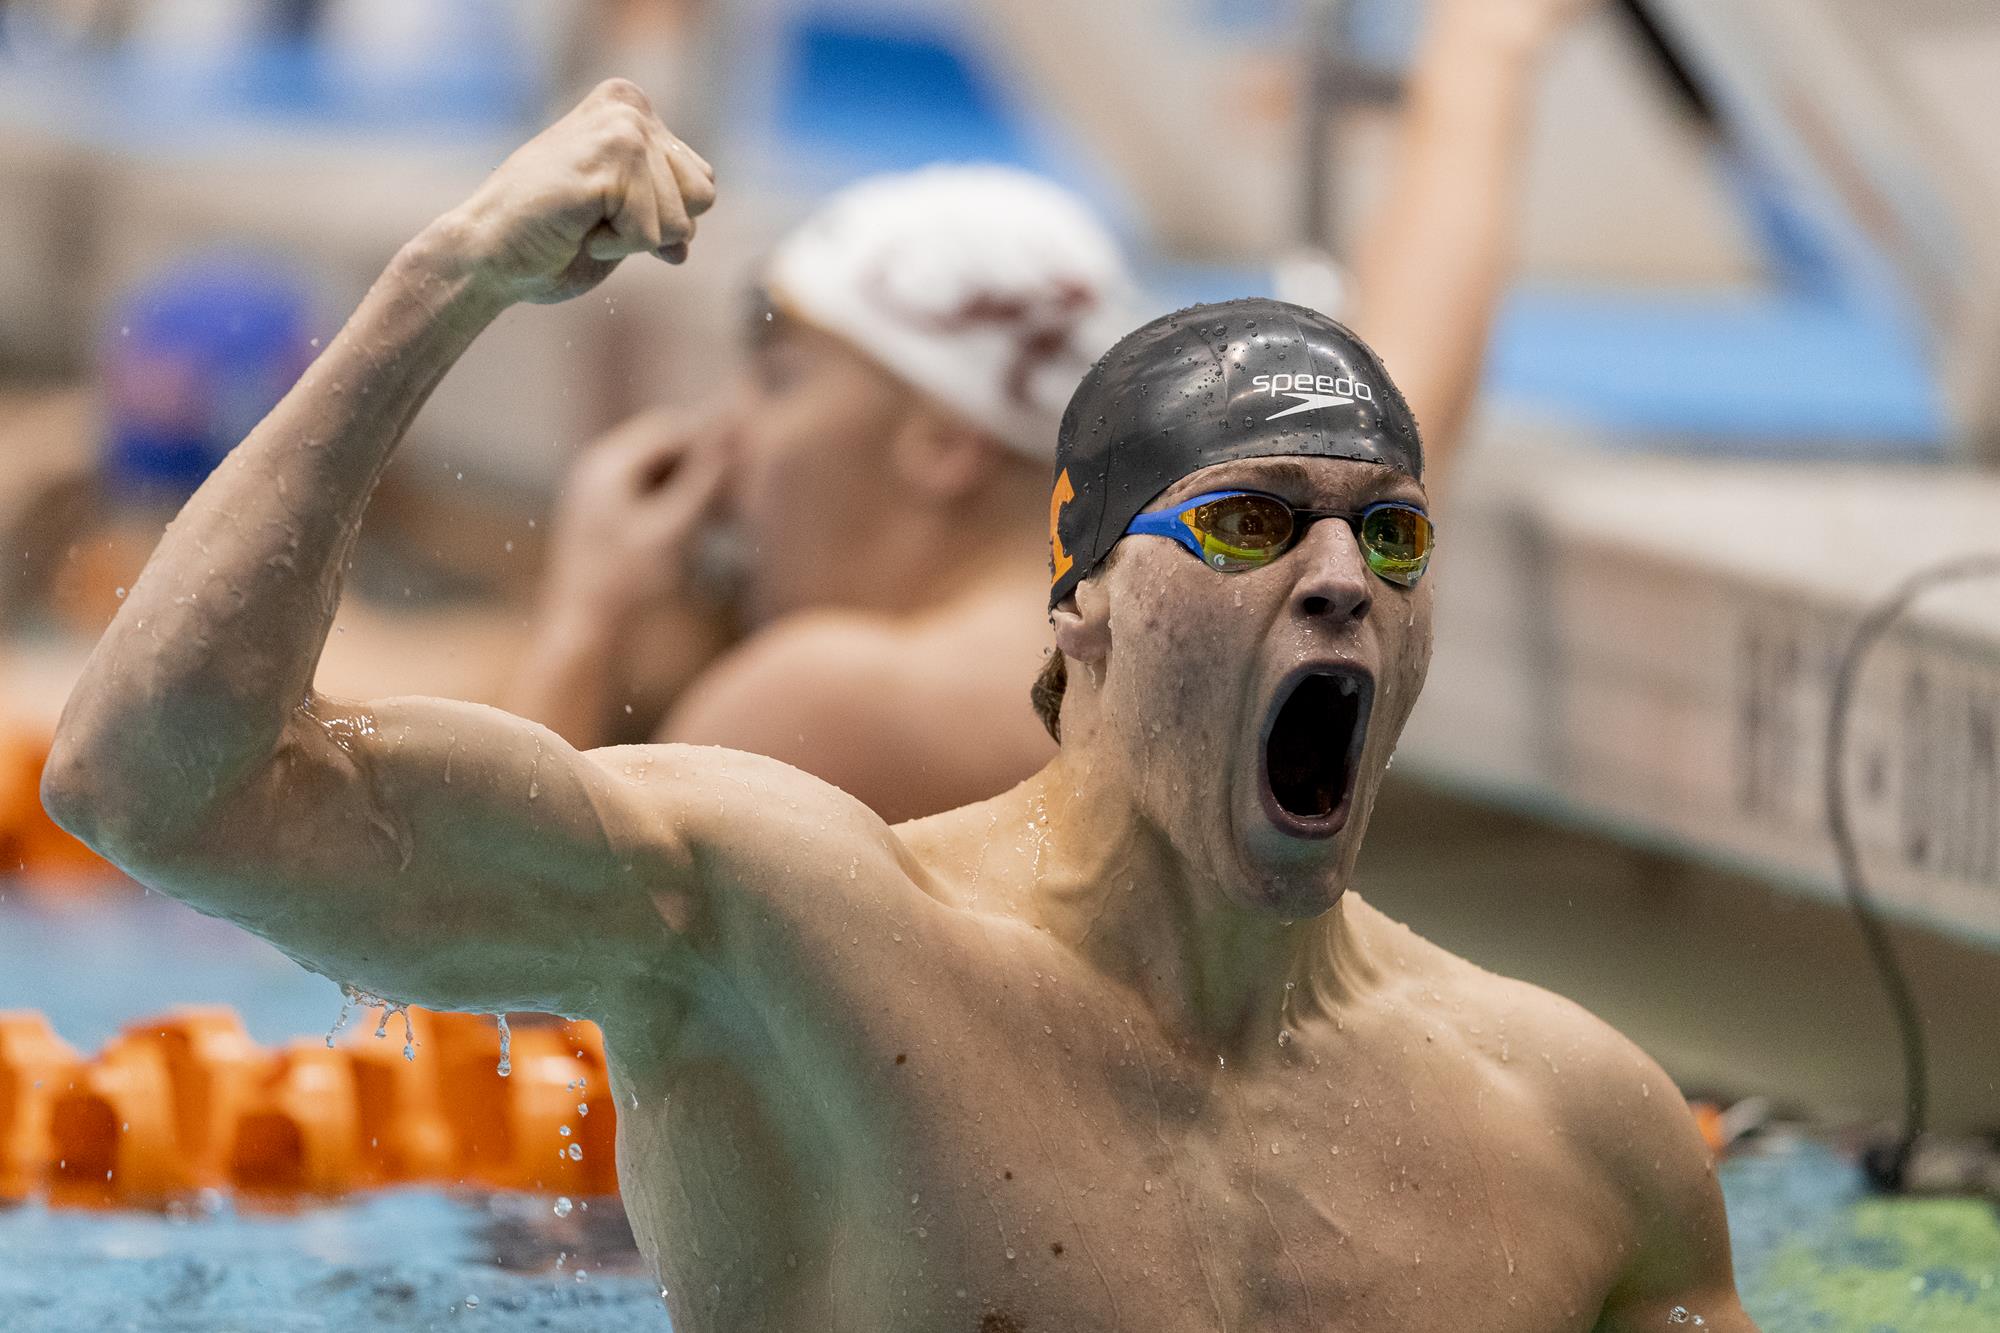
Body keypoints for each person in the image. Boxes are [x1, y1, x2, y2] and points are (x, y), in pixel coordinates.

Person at [45, 80, 1754, 1331]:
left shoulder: (1581, 1133)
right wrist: (442, 289)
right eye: (1244, 524)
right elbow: (154, 784)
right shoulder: (786, 908)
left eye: (1389, 533)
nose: (1336, 577)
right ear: (1076, 608)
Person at [504, 0, 1599, 822]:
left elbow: (488, 960)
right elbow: (1406, 380)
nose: (722, 437)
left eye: (780, 381)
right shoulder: (1230, 623)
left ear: (941, 443)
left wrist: (582, 622)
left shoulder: (827, 700)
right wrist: (1480, 58)